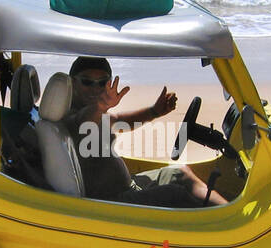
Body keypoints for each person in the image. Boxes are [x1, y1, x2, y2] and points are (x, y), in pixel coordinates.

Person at [64, 56, 227, 207]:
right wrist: (100, 105)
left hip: (128, 186)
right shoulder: (69, 117)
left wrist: (154, 111)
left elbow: (120, 120)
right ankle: (220, 229)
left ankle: (225, 211)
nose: (95, 88)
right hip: (111, 202)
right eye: (87, 82)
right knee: (174, 194)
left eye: (102, 83)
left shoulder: (96, 114)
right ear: (72, 83)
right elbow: (82, 123)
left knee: (179, 172)